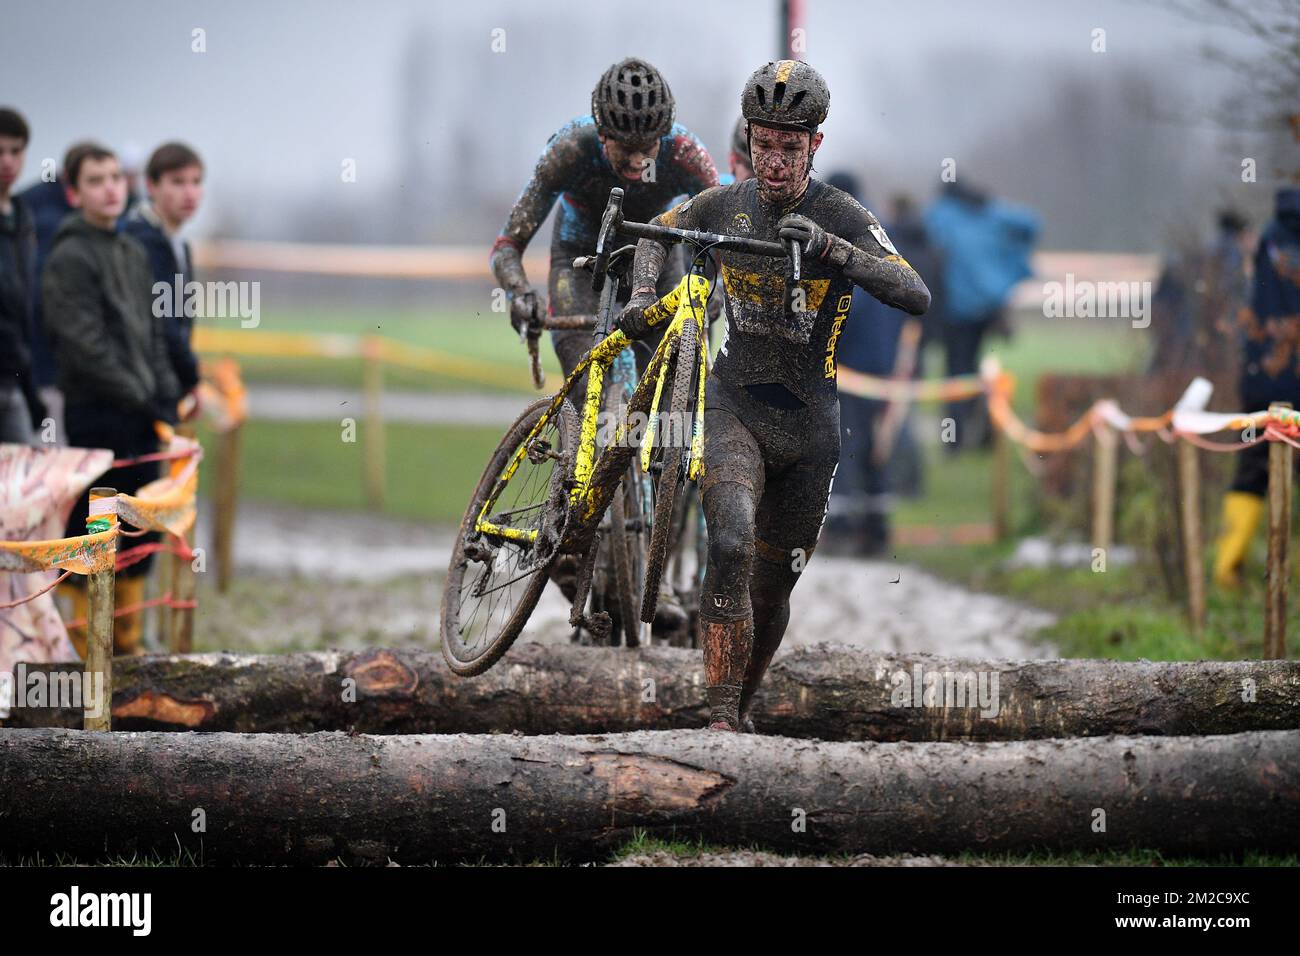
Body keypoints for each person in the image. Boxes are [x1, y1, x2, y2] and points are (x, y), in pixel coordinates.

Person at [617, 60, 930, 732]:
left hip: (812, 429)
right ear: (749, 142)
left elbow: (915, 292)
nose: (776, 163)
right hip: (736, 407)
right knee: (729, 540)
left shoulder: (840, 213)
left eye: (790, 149)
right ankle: (719, 718)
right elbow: (655, 235)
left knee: (772, 583)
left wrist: (835, 252)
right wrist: (644, 295)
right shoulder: (725, 204)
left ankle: (746, 701)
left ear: (815, 146)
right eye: (763, 146)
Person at [488, 57, 719, 633]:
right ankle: (572, 511)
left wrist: (717, 292)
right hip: (581, 260)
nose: (641, 164)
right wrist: (519, 293)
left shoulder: (689, 155)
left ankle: (652, 556)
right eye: (625, 153)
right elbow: (506, 246)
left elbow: (726, 235)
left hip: (658, 258)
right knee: (595, 390)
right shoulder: (569, 149)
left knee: (663, 402)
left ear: (666, 137)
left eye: (650, 151)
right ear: (602, 136)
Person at [43, 142, 181, 656]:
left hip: (141, 419)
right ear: (76, 192)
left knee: (143, 527)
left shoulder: (132, 252)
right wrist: (141, 396)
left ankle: (126, 642)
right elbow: (86, 348)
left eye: (116, 178)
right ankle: (83, 642)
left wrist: (163, 399)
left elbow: (153, 338)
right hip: (96, 419)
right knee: (93, 527)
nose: (110, 189)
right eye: (97, 180)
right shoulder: (69, 256)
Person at [1212, 188, 1300, 590]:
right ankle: (1291, 574)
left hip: (1260, 379)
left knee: (1251, 467)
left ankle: (1227, 569)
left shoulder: (1267, 239)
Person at [818, 170, 903, 557]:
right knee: (875, 446)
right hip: (884, 365)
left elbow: (854, 307)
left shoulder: (847, 238)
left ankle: (844, 527)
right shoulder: (881, 235)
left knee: (849, 443)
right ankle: (876, 528)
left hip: (852, 366)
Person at [924, 180, 1037, 452]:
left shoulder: (945, 215)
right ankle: (987, 436)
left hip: (957, 314)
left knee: (957, 376)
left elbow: (927, 230)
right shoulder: (993, 216)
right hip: (991, 309)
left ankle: (955, 442)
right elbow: (1032, 225)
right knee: (988, 375)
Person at [121, 142, 204, 412]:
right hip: (143, 389)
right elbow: (163, 320)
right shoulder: (142, 239)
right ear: (151, 186)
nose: (190, 192)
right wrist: (192, 377)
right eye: (177, 182)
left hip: (167, 382)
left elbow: (182, 320)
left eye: (196, 182)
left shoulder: (178, 243)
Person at [0, 107, 45, 443]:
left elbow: (23, 309)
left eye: (15, 151)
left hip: (14, 380)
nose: (7, 161)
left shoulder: (23, 216)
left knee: (23, 489)